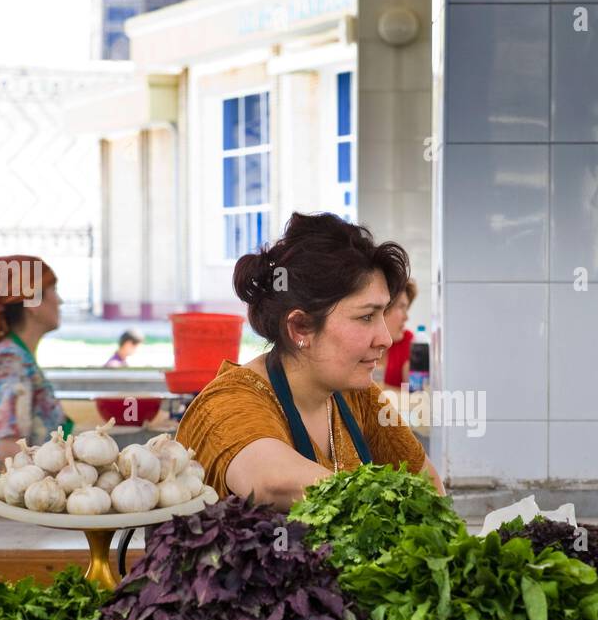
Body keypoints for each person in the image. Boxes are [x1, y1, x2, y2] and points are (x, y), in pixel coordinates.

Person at [176, 212, 445, 510]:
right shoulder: (227, 403)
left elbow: (428, 488)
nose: (385, 338)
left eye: (383, 314)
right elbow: (271, 482)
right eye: (366, 316)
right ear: (300, 328)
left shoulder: (358, 395)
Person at [0, 254, 72, 477]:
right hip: (9, 498)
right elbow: (10, 452)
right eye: (53, 290)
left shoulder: (14, 356)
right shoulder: (9, 362)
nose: (59, 301)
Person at [375, 279, 417, 390]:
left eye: (406, 308)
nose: (406, 317)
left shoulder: (408, 341)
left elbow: (414, 396)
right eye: (401, 307)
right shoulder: (358, 341)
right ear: (383, 308)